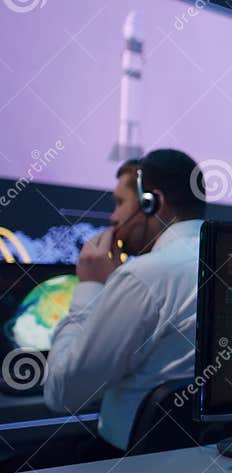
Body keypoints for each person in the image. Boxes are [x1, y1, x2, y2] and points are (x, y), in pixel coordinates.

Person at [44, 149, 206, 453]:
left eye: (120, 203)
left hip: (124, 464)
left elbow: (63, 394)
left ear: (152, 202)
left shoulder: (142, 276)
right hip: (204, 459)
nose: (113, 217)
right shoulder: (228, 258)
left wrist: (90, 285)